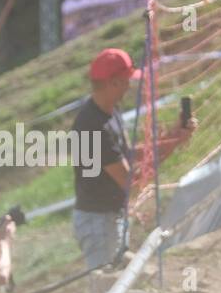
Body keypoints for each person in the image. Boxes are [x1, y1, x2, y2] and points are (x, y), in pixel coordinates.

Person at [71, 47, 197, 270]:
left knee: (128, 281)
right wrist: (173, 144)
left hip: (110, 217)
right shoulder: (92, 127)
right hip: (98, 223)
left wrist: (172, 138)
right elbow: (132, 181)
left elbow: (128, 154)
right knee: (105, 292)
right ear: (113, 83)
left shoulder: (109, 111)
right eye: (126, 81)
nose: (130, 87)